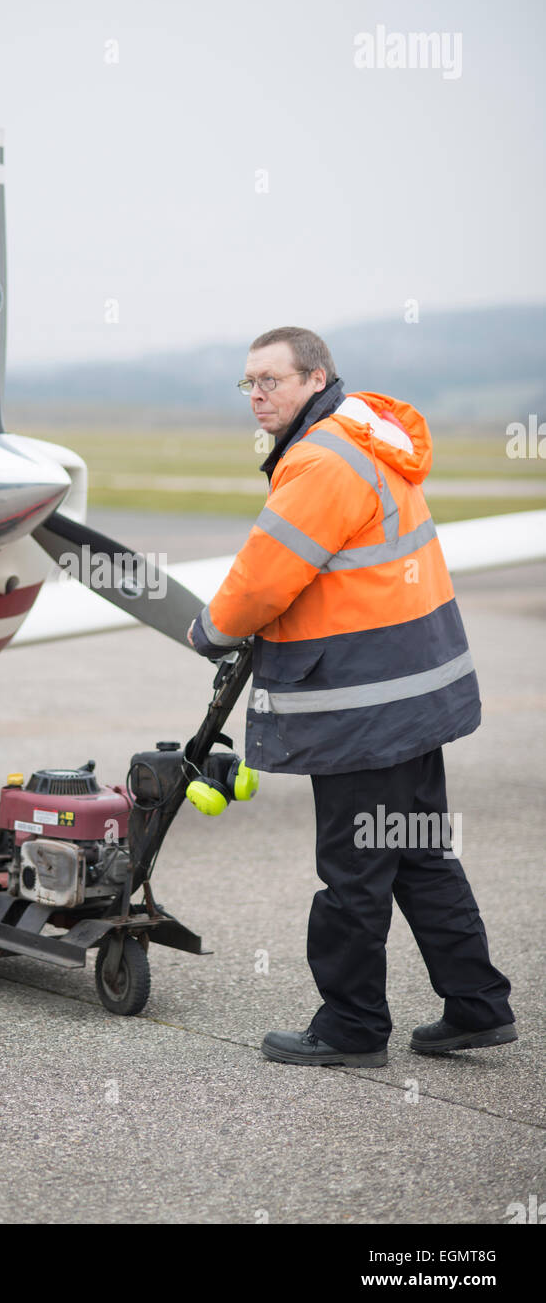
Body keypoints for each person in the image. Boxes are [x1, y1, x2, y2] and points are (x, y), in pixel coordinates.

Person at [187, 326, 516, 1067]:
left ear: (315, 379)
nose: (258, 395)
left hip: (365, 707)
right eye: (249, 383)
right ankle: (474, 1005)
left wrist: (210, 628)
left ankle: (351, 1028)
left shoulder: (320, 459)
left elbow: (267, 576)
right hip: (411, 696)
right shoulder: (367, 438)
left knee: (352, 872)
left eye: (272, 379)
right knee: (417, 852)